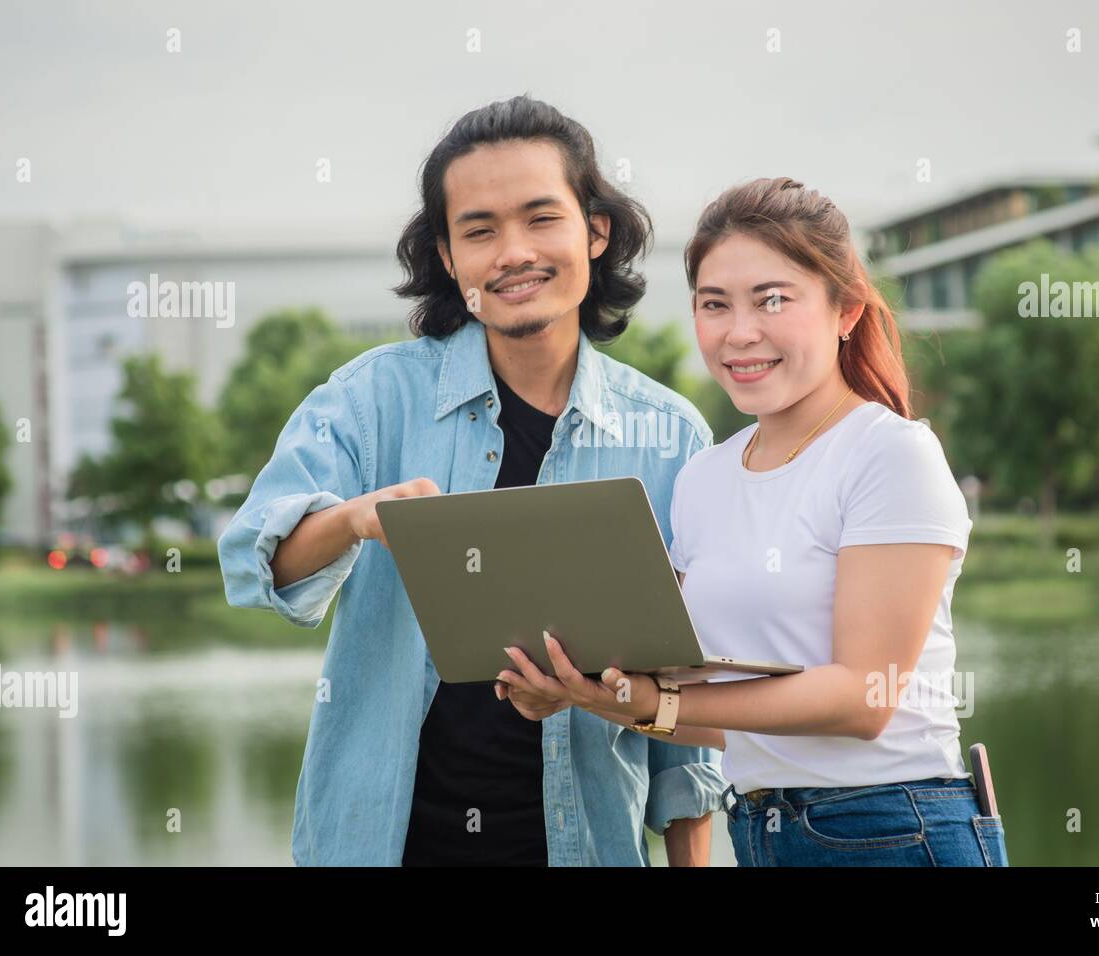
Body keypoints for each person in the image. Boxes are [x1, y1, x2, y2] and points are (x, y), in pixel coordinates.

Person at [217, 95, 724, 866]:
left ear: (596, 231)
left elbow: (689, 720)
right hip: (380, 846)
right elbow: (255, 563)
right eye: (479, 230)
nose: (512, 252)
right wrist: (355, 518)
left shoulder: (672, 436)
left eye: (540, 218)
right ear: (449, 260)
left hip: (587, 845)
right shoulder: (369, 398)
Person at [497, 177, 1010, 867]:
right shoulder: (706, 477)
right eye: (715, 305)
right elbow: (715, 716)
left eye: (773, 300)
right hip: (762, 829)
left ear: (846, 310)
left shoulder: (889, 453)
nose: (740, 333)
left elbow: (863, 697)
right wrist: (586, 692)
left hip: (894, 828)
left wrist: (660, 701)